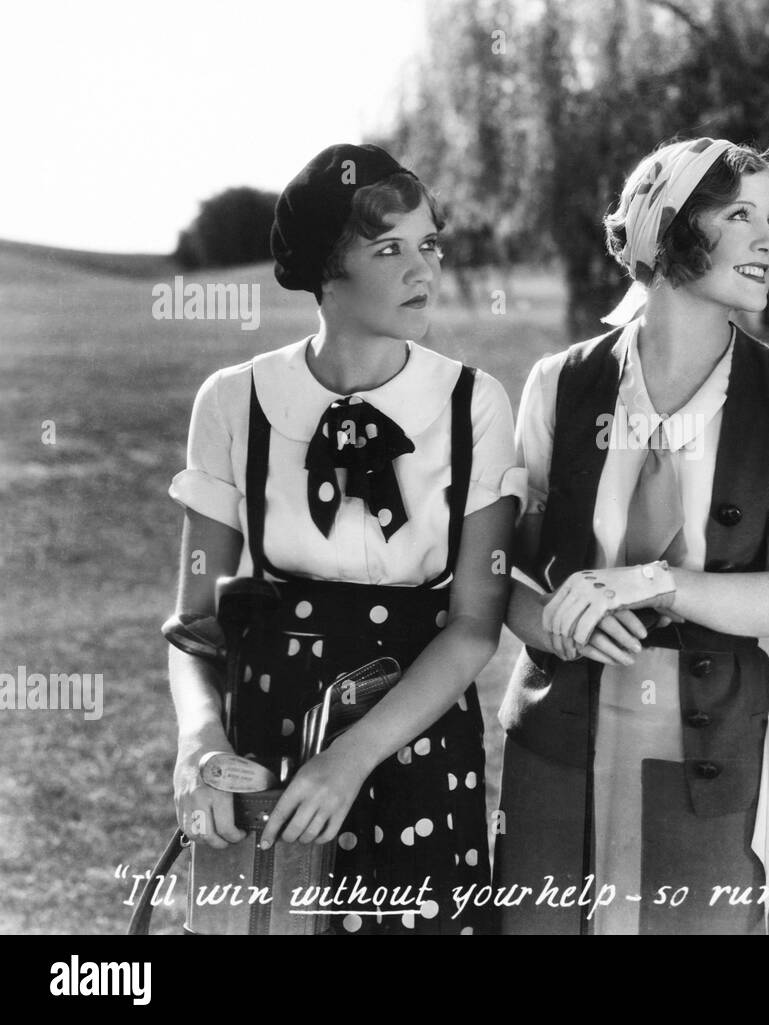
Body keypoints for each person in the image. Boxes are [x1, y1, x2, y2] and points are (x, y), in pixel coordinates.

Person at [165, 143, 523, 934]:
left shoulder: (474, 407)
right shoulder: (233, 403)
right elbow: (196, 625)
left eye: (428, 243)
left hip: (416, 749)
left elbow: (472, 628)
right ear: (326, 269)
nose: (420, 269)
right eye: (387, 247)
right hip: (266, 748)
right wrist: (199, 742)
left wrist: (350, 761)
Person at [493, 137, 769, 934]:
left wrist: (650, 581)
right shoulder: (560, 383)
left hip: (713, 738)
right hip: (557, 740)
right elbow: (502, 578)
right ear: (669, 225)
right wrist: (558, 618)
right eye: (741, 214)